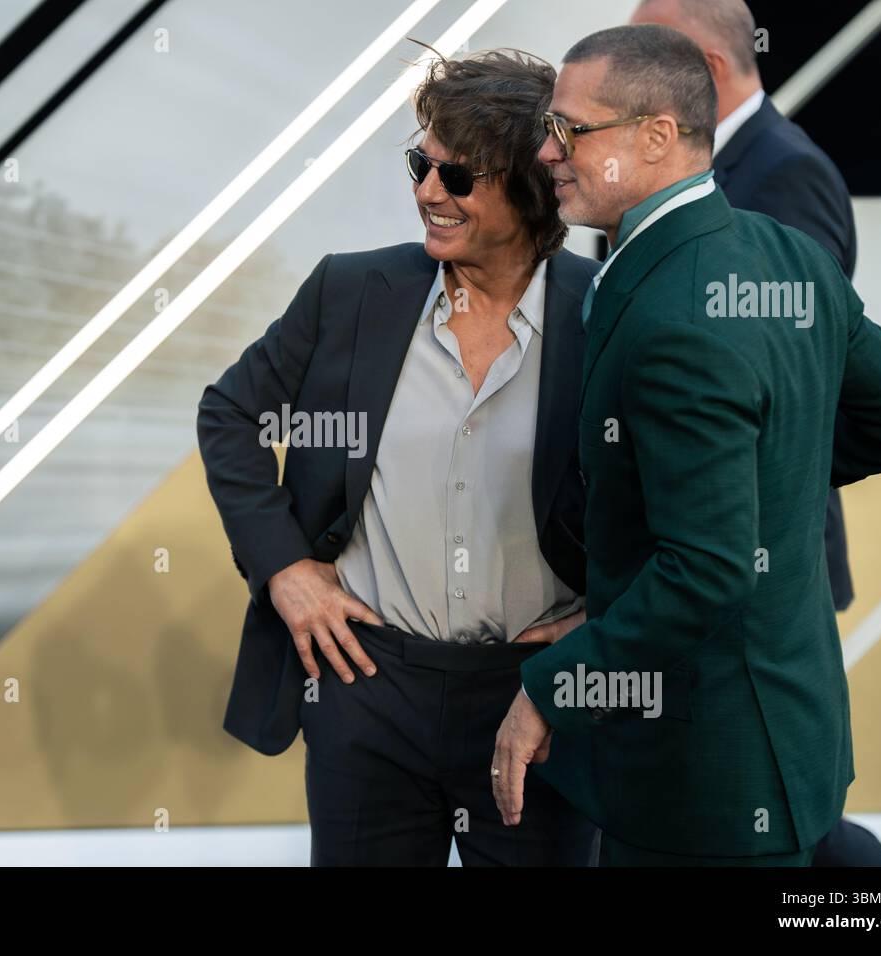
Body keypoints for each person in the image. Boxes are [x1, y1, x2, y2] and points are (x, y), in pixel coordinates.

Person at [491, 24, 881, 865]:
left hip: (704, 781)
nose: (548, 153)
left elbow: (705, 572)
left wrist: (552, 692)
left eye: (570, 130)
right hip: (789, 746)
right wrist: (771, 477)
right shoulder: (788, 256)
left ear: (658, 136)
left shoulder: (676, 312)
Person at [198, 49, 598, 866]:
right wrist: (285, 569)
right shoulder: (351, 294)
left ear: (531, 182)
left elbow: (670, 491)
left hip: (537, 695)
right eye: (422, 164)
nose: (426, 190)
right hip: (366, 689)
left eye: (458, 175)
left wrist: (611, 624)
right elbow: (232, 414)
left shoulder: (609, 311)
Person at [632, 0, 881, 870]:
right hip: (691, 550)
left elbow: (797, 375)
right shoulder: (689, 170)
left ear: (705, 71)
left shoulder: (785, 171)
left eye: (645, 55)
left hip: (758, 557)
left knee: (778, 804)